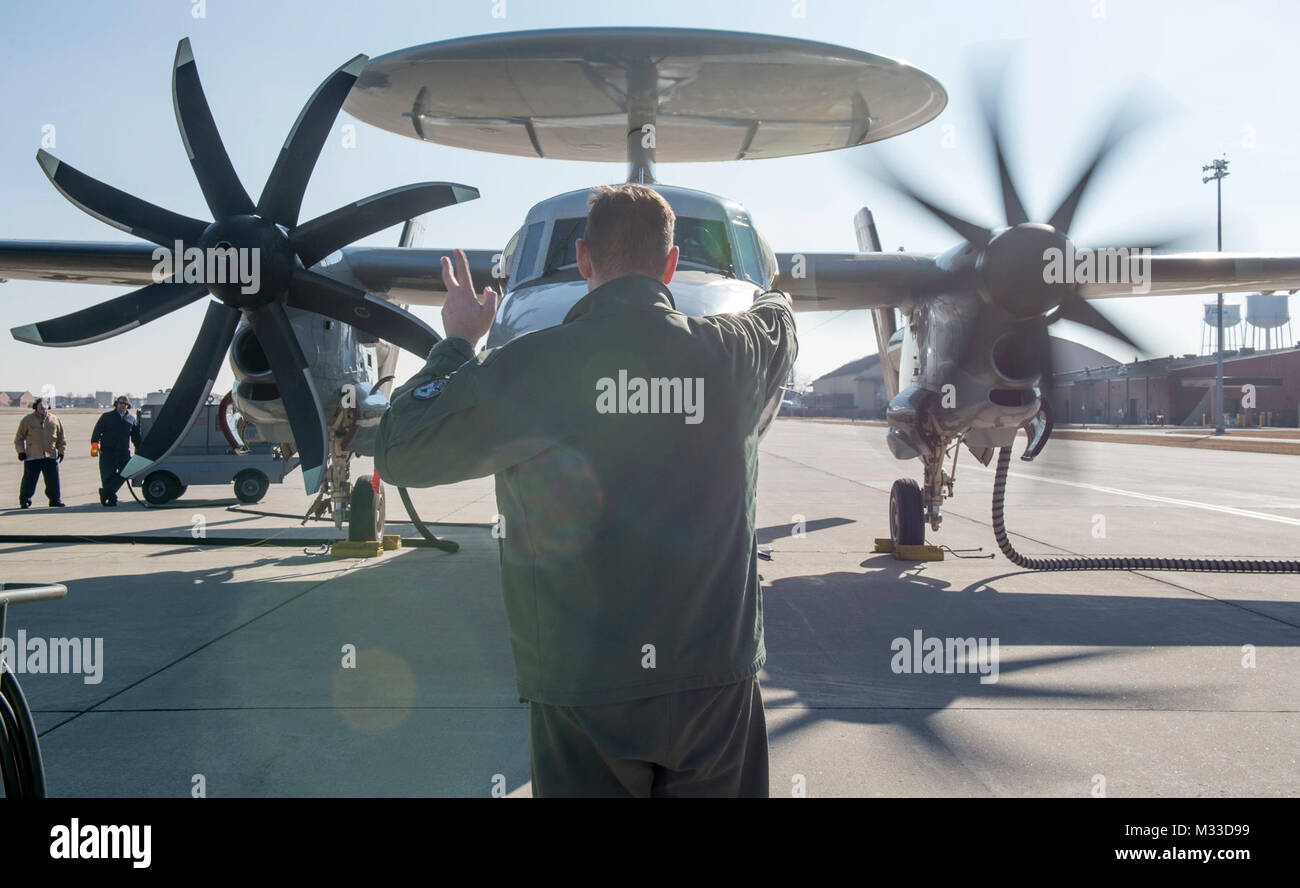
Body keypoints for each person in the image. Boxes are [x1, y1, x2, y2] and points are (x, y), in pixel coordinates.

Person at [376, 184, 797, 797]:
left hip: (585, 693)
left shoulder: (528, 366)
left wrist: (459, 343)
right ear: (672, 265)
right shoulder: (734, 353)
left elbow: (399, 446)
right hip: (715, 688)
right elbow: (779, 324)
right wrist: (774, 287)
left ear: (583, 260)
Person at [91, 395, 143, 507]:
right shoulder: (107, 417)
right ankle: (111, 499)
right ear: (116, 404)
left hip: (123, 453)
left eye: (125, 404)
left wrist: (140, 451)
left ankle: (105, 493)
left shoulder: (131, 419)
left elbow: (136, 438)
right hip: (107, 453)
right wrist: (94, 449)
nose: (123, 405)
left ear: (128, 406)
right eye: (121, 403)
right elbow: (96, 433)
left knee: (126, 472)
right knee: (107, 477)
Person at [14, 398, 66, 508]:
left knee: (53, 481)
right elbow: (19, 439)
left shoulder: (54, 420)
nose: (43, 409)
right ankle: (25, 500)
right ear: (36, 407)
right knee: (29, 482)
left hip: (50, 456)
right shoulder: (27, 420)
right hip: (33, 457)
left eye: (45, 406)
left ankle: (55, 500)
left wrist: (61, 452)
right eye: (40, 407)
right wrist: (21, 452)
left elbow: (61, 439)